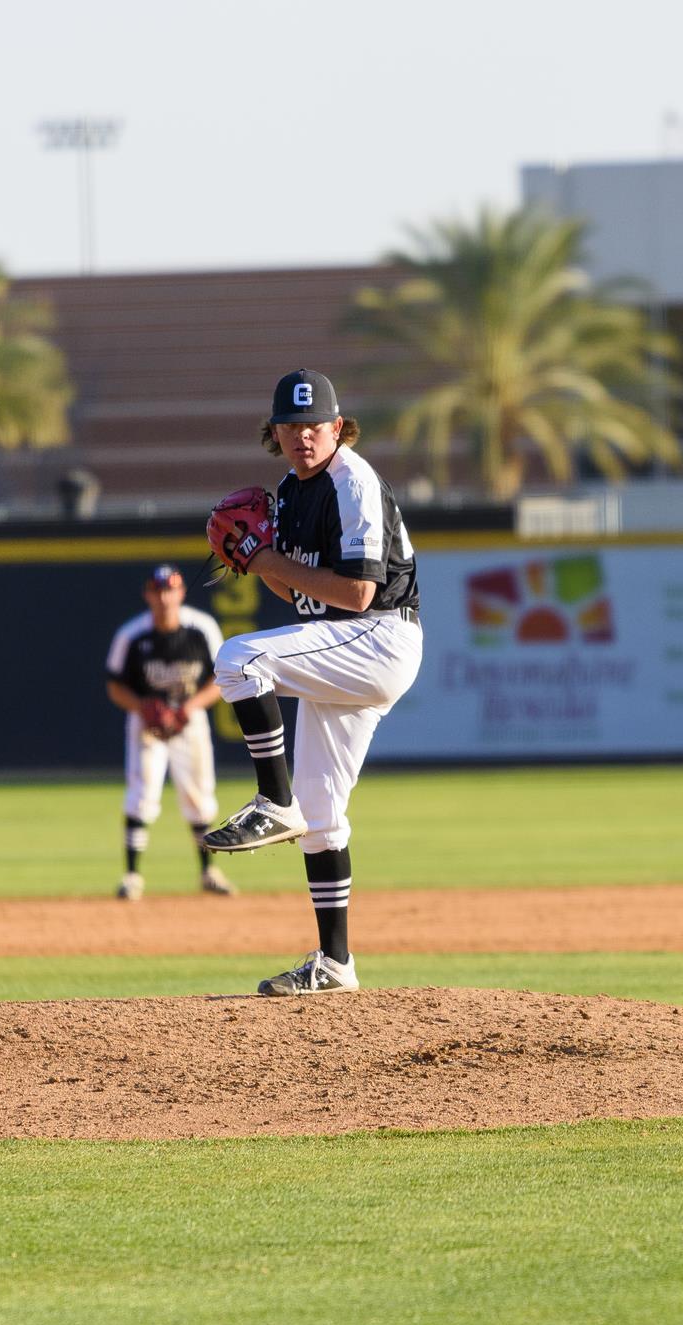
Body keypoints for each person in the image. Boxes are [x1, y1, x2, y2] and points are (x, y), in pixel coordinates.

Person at [202, 368, 422, 996]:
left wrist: (265, 557)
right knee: (322, 814)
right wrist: (255, 561)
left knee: (239, 659)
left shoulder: (353, 482)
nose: (303, 436)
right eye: (291, 425)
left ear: (337, 427)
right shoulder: (289, 491)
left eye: (315, 425)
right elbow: (297, 590)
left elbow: (357, 594)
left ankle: (273, 802)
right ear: (274, 431)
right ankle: (335, 963)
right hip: (344, 645)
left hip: (378, 636)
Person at [103, 564, 235, 901]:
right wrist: (142, 707)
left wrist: (189, 708)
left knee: (199, 796)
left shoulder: (201, 628)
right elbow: (115, 686)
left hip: (190, 720)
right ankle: (132, 876)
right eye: (157, 590)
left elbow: (221, 678)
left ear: (181, 593)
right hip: (146, 725)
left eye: (170, 590)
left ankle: (209, 872)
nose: (164, 597)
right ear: (147, 595)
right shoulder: (132, 635)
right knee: (142, 793)